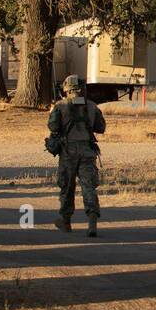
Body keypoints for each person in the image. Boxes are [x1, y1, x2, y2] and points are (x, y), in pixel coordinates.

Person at [48, 75, 106, 237]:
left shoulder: (60, 106)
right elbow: (100, 128)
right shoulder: (92, 106)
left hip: (68, 153)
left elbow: (53, 127)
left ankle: (66, 221)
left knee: (67, 187)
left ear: (66, 89)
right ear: (83, 89)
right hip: (87, 152)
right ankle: (92, 220)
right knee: (89, 187)